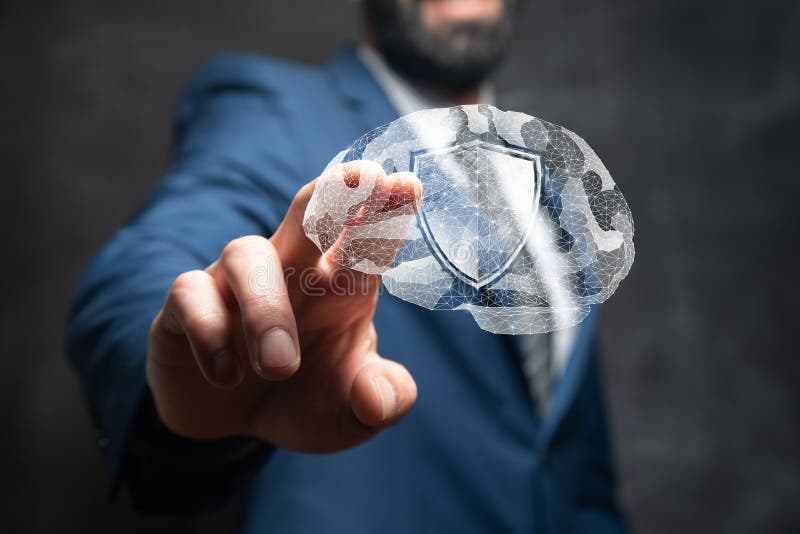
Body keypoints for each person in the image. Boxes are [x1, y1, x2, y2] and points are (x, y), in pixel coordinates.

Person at [67, 0, 627, 531]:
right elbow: (149, 263)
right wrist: (188, 354)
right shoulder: (271, 108)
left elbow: (573, 465)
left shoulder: (554, 193)